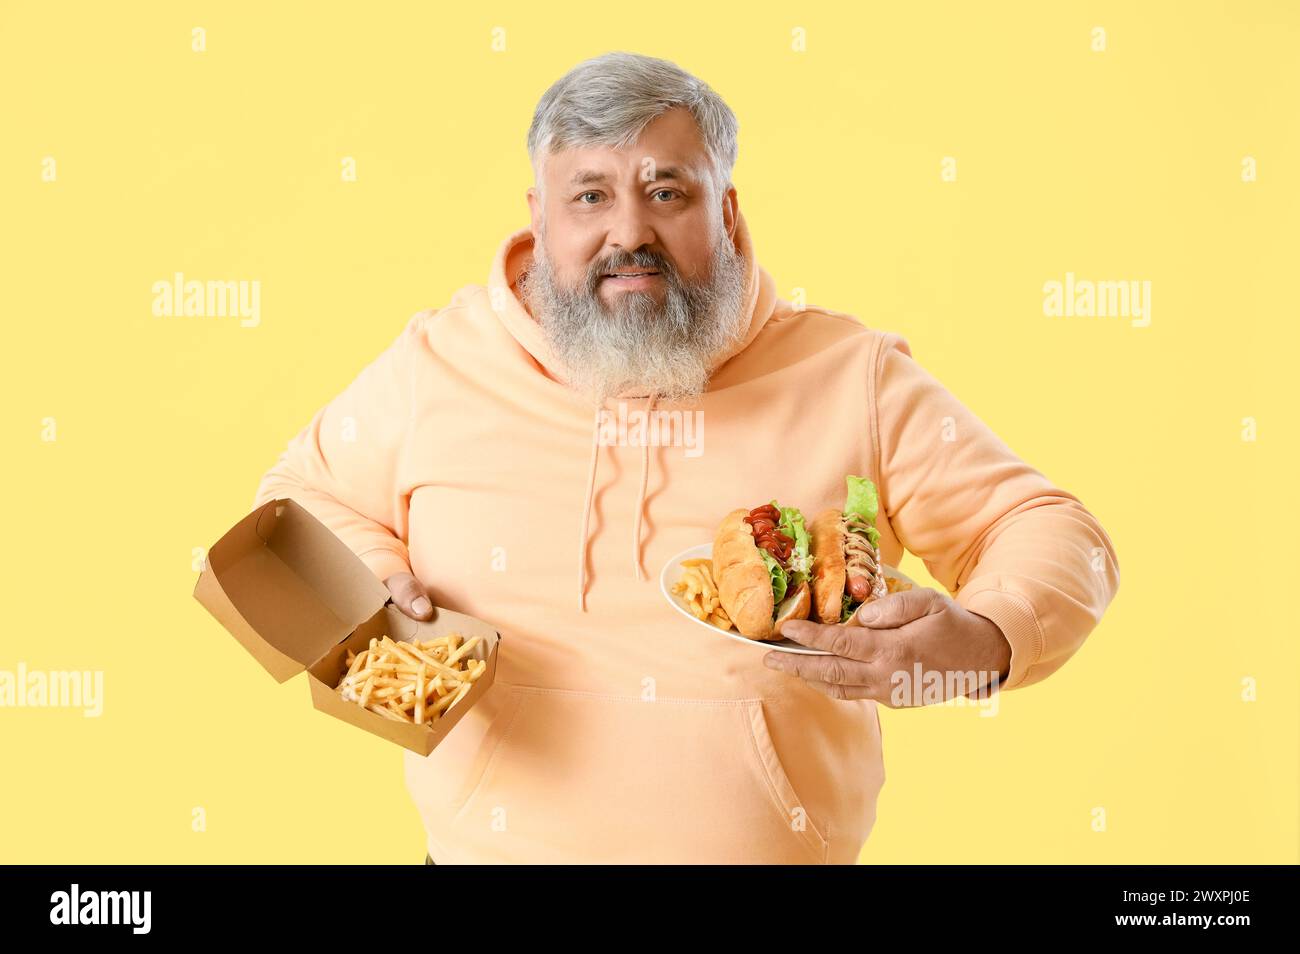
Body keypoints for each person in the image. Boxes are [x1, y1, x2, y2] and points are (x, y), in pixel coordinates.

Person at [253, 51, 1119, 864]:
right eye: (588, 196)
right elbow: (300, 497)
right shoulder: (435, 364)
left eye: (666, 192)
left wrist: (989, 636)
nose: (630, 233)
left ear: (727, 212)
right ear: (538, 217)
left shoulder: (851, 375)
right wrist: (375, 578)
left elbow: (1049, 526)